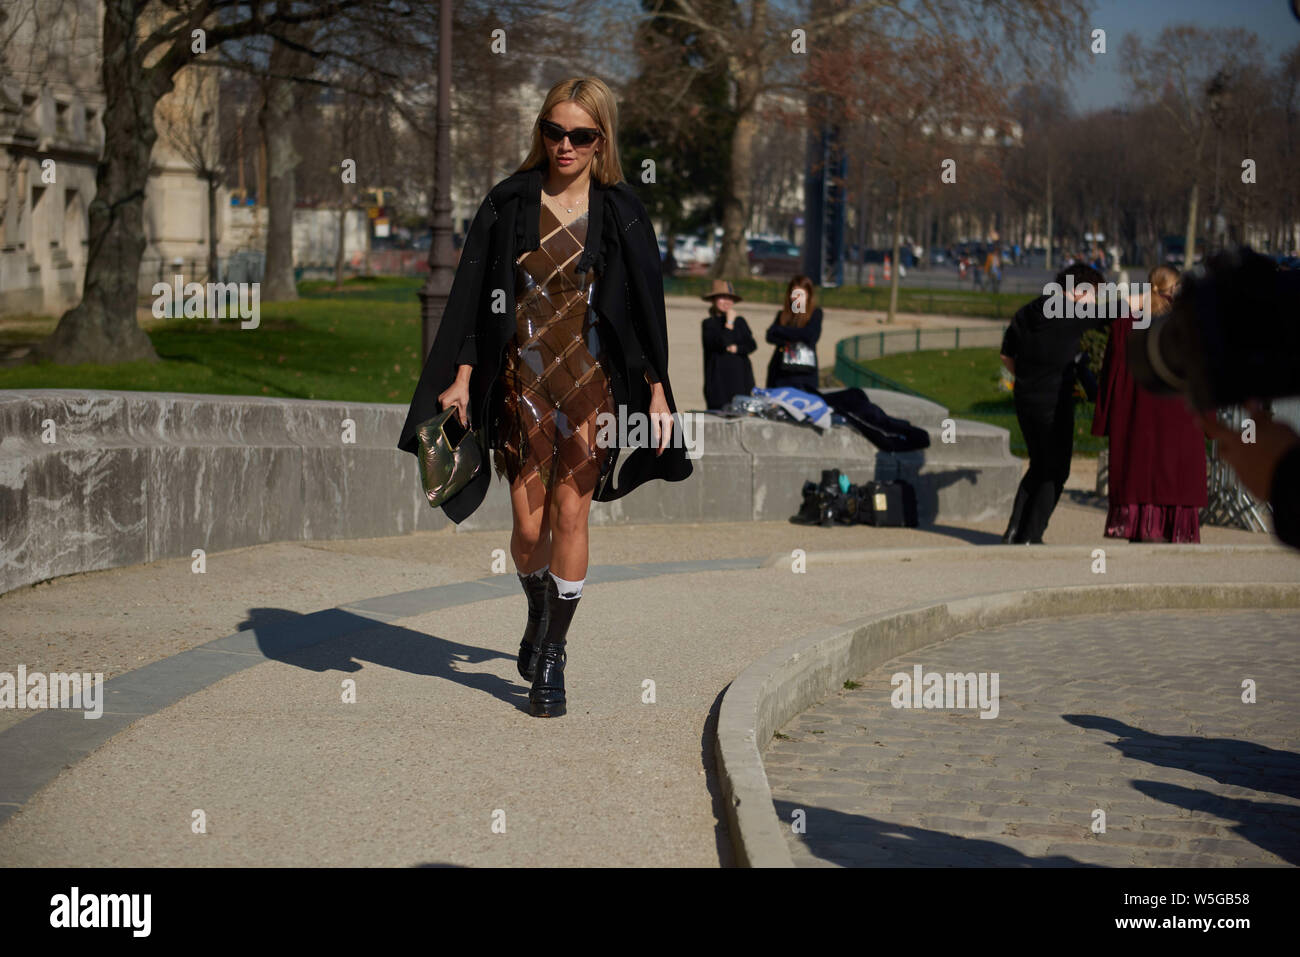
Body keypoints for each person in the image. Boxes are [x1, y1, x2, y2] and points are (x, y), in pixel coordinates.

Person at [396, 76, 693, 718]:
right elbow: (474, 298)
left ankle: (554, 653)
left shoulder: (622, 210)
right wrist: (464, 373)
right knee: (528, 528)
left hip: (593, 387)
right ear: (542, 131)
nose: (565, 145)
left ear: (600, 141)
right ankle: (538, 605)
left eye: (580, 135)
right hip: (521, 383)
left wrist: (659, 391)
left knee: (572, 515)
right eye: (554, 131)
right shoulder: (508, 203)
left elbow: (645, 311)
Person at [1091, 266, 1207, 541]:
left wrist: (1105, 419)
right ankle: (1170, 530)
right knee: (1173, 476)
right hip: (1179, 417)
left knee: (1138, 472)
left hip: (1135, 415)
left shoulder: (1124, 324)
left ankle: (1140, 527)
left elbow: (1110, 374)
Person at [999, 262, 1109, 543]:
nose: (1095, 302)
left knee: (1039, 464)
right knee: (1056, 470)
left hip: (1025, 397)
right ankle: (1031, 536)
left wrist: (1027, 378)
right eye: (1094, 295)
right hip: (1054, 401)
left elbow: (1006, 356)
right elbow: (1119, 312)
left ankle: (1013, 531)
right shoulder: (1071, 313)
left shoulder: (1028, 311)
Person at [700, 279, 757, 410]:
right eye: (722, 297)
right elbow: (720, 343)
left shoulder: (740, 321)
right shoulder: (709, 324)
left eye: (730, 298)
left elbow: (751, 345)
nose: (726, 301)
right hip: (718, 383)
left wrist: (736, 348)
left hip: (741, 381)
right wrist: (729, 323)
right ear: (714, 300)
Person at [764, 274, 823, 391]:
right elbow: (770, 336)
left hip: (803, 372)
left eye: (801, 294)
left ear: (808, 295)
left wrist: (781, 331)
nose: (797, 298)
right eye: (795, 294)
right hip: (781, 371)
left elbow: (810, 335)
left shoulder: (815, 313)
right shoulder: (783, 314)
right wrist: (793, 334)